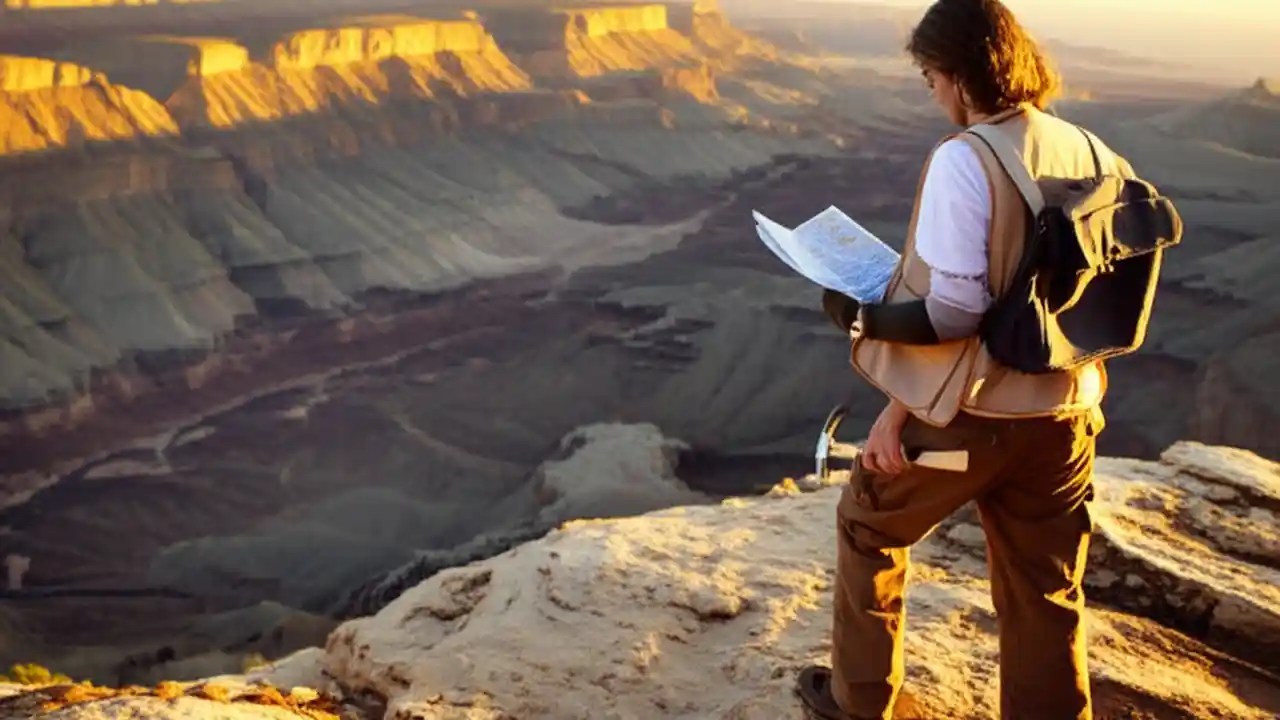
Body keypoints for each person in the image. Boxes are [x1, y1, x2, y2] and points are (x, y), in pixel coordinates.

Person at [796, 1, 1137, 719]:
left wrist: (860, 316)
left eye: (930, 76)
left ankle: (861, 703)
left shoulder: (967, 158)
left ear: (959, 74)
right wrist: (898, 406)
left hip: (973, 417)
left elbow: (957, 315)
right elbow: (1035, 300)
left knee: (868, 523)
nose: (932, 92)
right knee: (1044, 585)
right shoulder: (1097, 152)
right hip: (1069, 413)